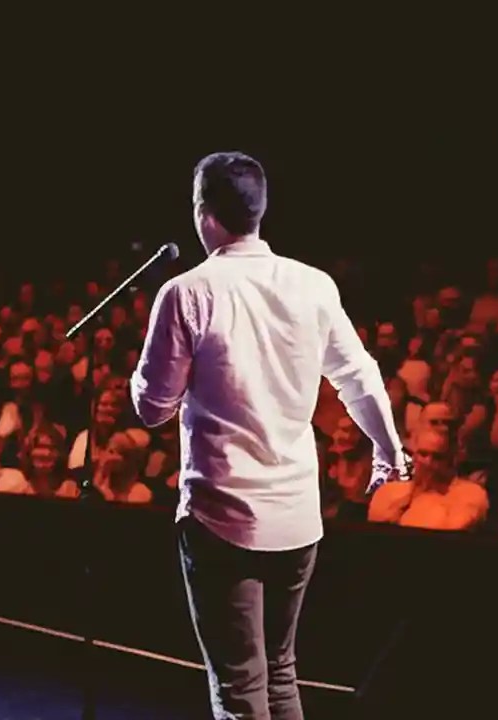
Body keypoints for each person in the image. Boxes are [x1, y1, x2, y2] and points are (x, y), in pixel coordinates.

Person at [131, 151, 407, 720]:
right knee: (279, 672)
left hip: (222, 516)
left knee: (239, 687)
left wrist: (140, 377)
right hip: (298, 515)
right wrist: (388, 449)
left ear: (203, 214)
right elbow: (358, 376)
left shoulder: (187, 292)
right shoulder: (313, 284)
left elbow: (153, 409)